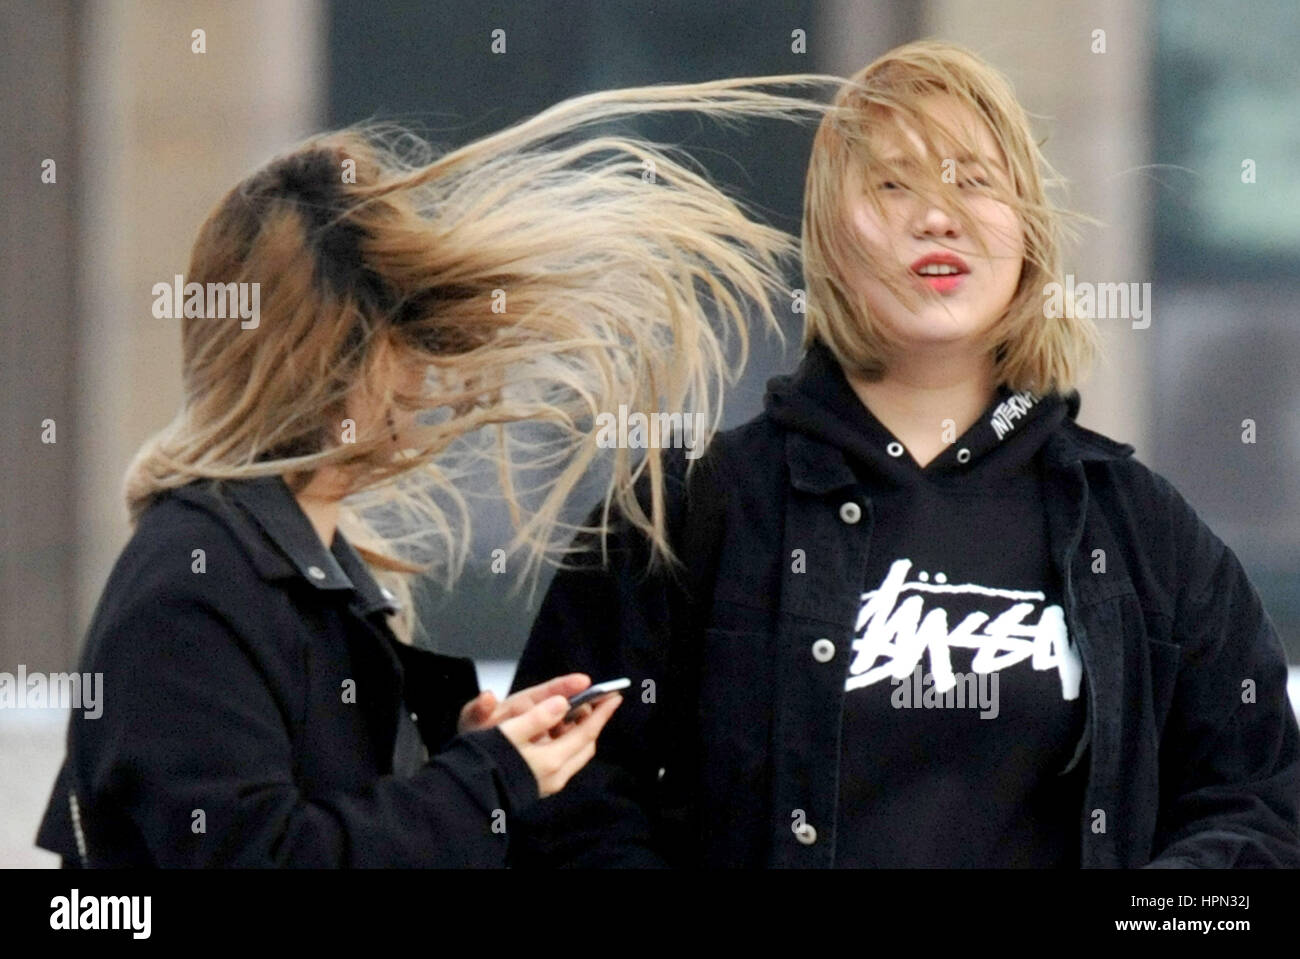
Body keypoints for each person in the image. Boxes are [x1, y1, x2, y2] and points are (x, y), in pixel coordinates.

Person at [507, 40, 1300, 868]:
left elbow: (1260, 810)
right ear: (829, 236)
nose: (935, 214)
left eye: (973, 179)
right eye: (892, 182)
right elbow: (561, 804)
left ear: (1027, 232)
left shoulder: (1143, 531)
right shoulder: (690, 512)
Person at [34, 76, 836, 867]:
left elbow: (332, 820)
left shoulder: (295, 581)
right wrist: (486, 781)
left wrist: (469, 756)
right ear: (341, 356)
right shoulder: (197, 585)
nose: (421, 372)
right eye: (401, 327)